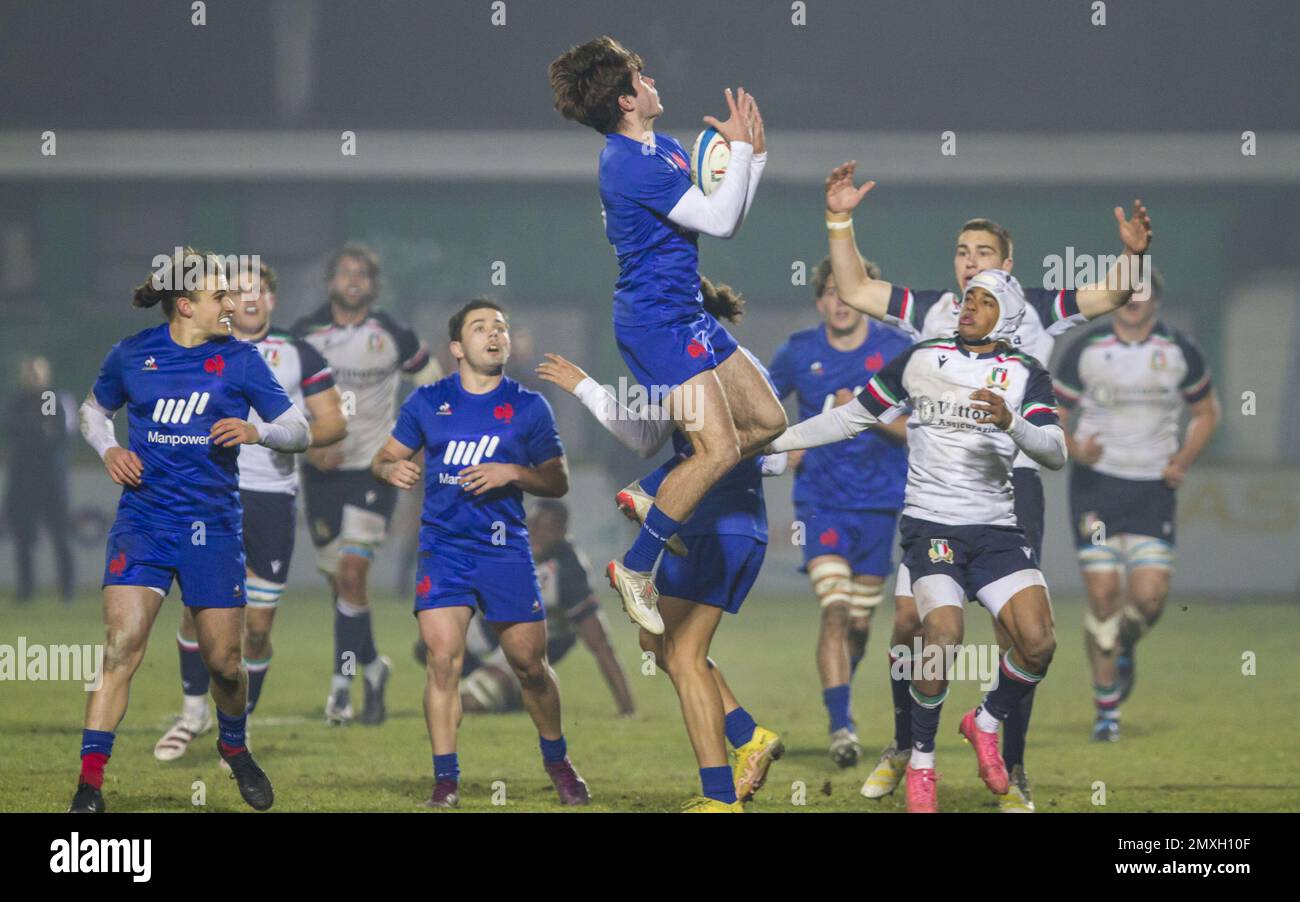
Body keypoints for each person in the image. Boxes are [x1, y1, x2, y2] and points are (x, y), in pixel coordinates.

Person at [822, 161, 1152, 810]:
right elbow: (857, 288)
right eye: (961, 252)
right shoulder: (934, 310)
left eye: (983, 254)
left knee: (1019, 635)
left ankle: (1012, 764)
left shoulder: (1033, 311)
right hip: (937, 498)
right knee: (909, 625)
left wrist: (1133, 258)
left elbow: (1108, 297)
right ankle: (902, 746)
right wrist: (840, 218)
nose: (969, 264)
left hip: (1011, 489)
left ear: (1007, 261)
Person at [770, 270, 1067, 813]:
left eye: (984, 301)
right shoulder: (922, 358)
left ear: (1008, 316)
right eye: (967, 298)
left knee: (1039, 642)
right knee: (941, 636)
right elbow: (852, 418)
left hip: (997, 530)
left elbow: (1054, 451)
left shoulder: (1026, 374)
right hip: (932, 527)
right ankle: (921, 766)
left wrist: (1012, 424)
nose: (969, 306)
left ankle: (984, 722)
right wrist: (774, 441)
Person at [549, 36, 786, 634]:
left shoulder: (662, 149)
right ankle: (636, 569)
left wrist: (751, 158)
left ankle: (653, 490)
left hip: (685, 313)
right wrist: (737, 151)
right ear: (628, 100)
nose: (652, 80)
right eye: (640, 75)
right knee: (720, 449)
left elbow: (722, 208)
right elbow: (722, 222)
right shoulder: (627, 163)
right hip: (655, 325)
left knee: (767, 422)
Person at [71, 248, 309, 812]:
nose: (235, 303)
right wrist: (108, 450)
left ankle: (234, 747)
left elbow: (298, 429)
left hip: (215, 528)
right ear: (185, 304)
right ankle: (89, 785)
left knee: (226, 664)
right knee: (121, 646)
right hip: (144, 522)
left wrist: (258, 435)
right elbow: (91, 411)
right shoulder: (131, 356)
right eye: (221, 296)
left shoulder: (243, 360)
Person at [538, 276, 787, 812]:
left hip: (723, 525)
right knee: (659, 646)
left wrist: (681, 477)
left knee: (686, 655)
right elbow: (647, 437)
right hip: (699, 525)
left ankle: (720, 798)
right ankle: (747, 736)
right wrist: (585, 386)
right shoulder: (683, 365)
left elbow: (775, 448)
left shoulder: (730, 363)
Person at [372, 299, 589, 808]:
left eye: (501, 327)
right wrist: (390, 470)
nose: (494, 334)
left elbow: (557, 480)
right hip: (444, 552)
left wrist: (513, 472)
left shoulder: (530, 406)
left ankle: (558, 761)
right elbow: (384, 457)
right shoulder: (428, 402)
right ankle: (446, 780)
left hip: (505, 553)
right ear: (456, 348)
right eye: (479, 327)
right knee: (443, 663)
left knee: (529, 665)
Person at [154, 260, 347, 760]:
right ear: (224, 301)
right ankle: (192, 713)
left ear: (273, 299)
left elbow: (331, 423)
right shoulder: (199, 348)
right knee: (199, 612)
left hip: (272, 501)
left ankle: (236, 730)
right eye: (238, 290)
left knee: (256, 629)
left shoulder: (297, 353)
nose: (249, 298)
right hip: (210, 493)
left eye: (259, 289)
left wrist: (291, 438)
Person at [1052, 272, 1220, 741]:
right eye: (1126, 290)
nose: (1132, 298)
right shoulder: (1086, 348)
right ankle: (1107, 712)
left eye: (1142, 290)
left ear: (1157, 300)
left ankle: (1123, 645)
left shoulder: (1179, 350)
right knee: (1104, 595)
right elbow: (1054, 415)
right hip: (1096, 487)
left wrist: (1182, 462)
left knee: (1147, 598)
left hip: (1152, 489)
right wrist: (1075, 448)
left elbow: (1208, 413)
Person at [768, 256, 911, 767]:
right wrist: (780, 449)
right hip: (820, 503)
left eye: (848, 291)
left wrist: (867, 413)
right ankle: (841, 727)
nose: (840, 301)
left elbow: (918, 430)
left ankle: (842, 696)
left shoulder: (897, 351)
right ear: (819, 300)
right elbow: (759, 405)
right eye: (829, 292)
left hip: (879, 505)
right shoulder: (799, 351)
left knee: (859, 625)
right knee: (833, 609)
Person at [291, 243, 441, 726]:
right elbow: (278, 397)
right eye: (344, 273)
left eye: (362, 274)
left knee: (354, 575)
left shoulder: (393, 334)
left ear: (374, 285)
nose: (353, 281)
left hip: (376, 469)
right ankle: (374, 668)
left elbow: (435, 389)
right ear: (330, 282)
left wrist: (412, 447)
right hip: (321, 471)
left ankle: (341, 690)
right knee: (342, 587)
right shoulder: (304, 336)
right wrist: (310, 446)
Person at [414, 500, 636, 719]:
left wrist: (627, 708)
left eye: (548, 529)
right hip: (495, 628)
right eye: (534, 525)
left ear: (562, 532)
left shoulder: (567, 571)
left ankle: (505, 684)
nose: (538, 533)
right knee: (430, 645)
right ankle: (516, 692)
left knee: (471, 700)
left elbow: (600, 643)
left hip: (535, 642)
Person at [4, 355, 76, 602]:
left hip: (49, 480)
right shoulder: (18, 401)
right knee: (24, 538)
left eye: (37, 373)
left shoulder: (50, 398)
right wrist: (37, 431)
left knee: (59, 536)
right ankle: (26, 591)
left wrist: (35, 431)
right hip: (23, 480)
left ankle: (67, 590)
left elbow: (53, 433)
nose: (33, 378)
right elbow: (16, 430)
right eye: (29, 373)